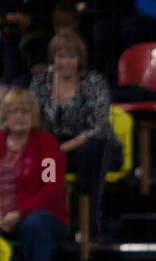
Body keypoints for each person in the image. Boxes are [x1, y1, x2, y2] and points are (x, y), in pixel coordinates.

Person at [29, 30, 112, 239]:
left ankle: (88, 225)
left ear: (80, 58)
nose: (65, 62)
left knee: (92, 151)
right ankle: (50, 223)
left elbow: (99, 126)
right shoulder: (41, 82)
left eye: (70, 57)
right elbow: (32, 119)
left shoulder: (94, 82)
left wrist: (63, 148)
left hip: (89, 142)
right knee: (42, 159)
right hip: (52, 143)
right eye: (60, 56)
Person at [0, 87, 67, 261]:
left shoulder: (46, 144)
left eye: (25, 112)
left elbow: (51, 189)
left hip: (42, 217)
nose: (19, 116)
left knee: (35, 223)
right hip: (3, 217)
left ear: (34, 116)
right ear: (5, 116)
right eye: (14, 111)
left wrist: (19, 213)